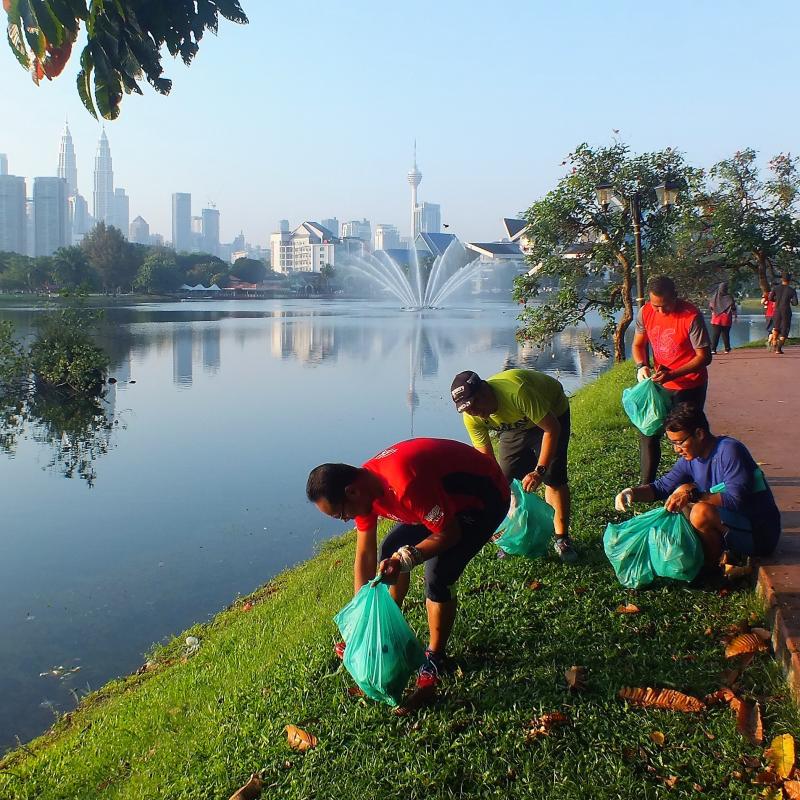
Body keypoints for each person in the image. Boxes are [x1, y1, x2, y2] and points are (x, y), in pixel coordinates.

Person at [306, 437, 510, 692]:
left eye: (341, 514)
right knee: (389, 548)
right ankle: (387, 628)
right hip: (442, 500)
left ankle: (435, 658)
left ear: (351, 492)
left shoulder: (404, 484)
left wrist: (408, 558)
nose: (346, 520)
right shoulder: (364, 487)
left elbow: (451, 533)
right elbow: (365, 554)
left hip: (484, 500)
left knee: (437, 575)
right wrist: (364, 620)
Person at [614, 403, 781, 566]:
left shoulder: (730, 450)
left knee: (700, 511)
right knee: (682, 489)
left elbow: (735, 500)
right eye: (673, 443)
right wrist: (631, 493)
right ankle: (710, 554)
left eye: (680, 442)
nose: (676, 449)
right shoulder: (691, 459)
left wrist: (690, 496)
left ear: (699, 434)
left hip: (759, 534)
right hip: (733, 524)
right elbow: (662, 487)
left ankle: (710, 566)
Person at [449, 368, 577, 563]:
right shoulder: (471, 416)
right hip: (514, 426)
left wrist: (539, 471)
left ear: (484, 390)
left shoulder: (517, 392)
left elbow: (552, 429)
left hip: (551, 412)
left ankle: (562, 539)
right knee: (505, 482)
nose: (474, 412)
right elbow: (487, 462)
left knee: (553, 477)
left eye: (474, 404)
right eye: (467, 409)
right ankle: (514, 538)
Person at [632, 275, 712, 484]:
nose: (660, 311)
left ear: (675, 297)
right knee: (648, 433)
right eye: (655, 305)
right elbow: (638, 345)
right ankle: (646, 487)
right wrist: (642, 366)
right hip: (660, 387)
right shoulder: (645, 312)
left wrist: (673, 374)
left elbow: (704, 357)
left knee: (688, 437)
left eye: (665, 305)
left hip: (689, 386)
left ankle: (700, 482)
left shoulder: (690, 316)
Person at [768, 273, 798, 354]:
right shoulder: (792, 290)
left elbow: (770, 298)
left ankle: (774, 342)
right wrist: (790, 301)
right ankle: (778, 349)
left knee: (776, 328)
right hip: (786, 312)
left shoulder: (775, 288)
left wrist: (777, 300)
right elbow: (795, 303)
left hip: (777, 311)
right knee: (784, 330)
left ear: (782, 279)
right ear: (789, 280)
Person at [708, 281, 737, 354]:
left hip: (716, 318)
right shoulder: (729, 297)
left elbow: (711, 307)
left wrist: (714, 311)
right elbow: (733, 308)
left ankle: (713, 349)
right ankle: (727, 349)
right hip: (726, 318)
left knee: (715, 334)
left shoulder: (714, 297)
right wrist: (735, 316)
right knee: (725, 334)